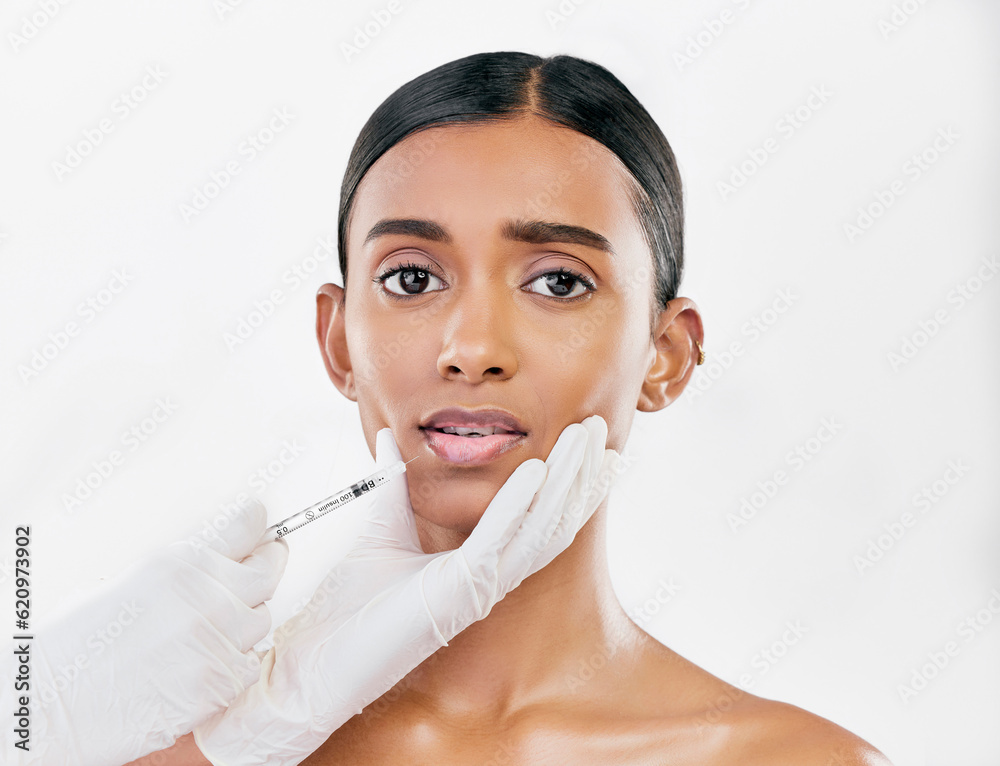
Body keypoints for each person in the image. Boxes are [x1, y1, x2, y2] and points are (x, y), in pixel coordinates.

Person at [142, 50, 892, 763]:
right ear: (338, 344)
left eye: (559, 283)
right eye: (410, 279)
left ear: (664, 356)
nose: (471, 348)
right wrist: (240, 742)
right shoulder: (190, 743)